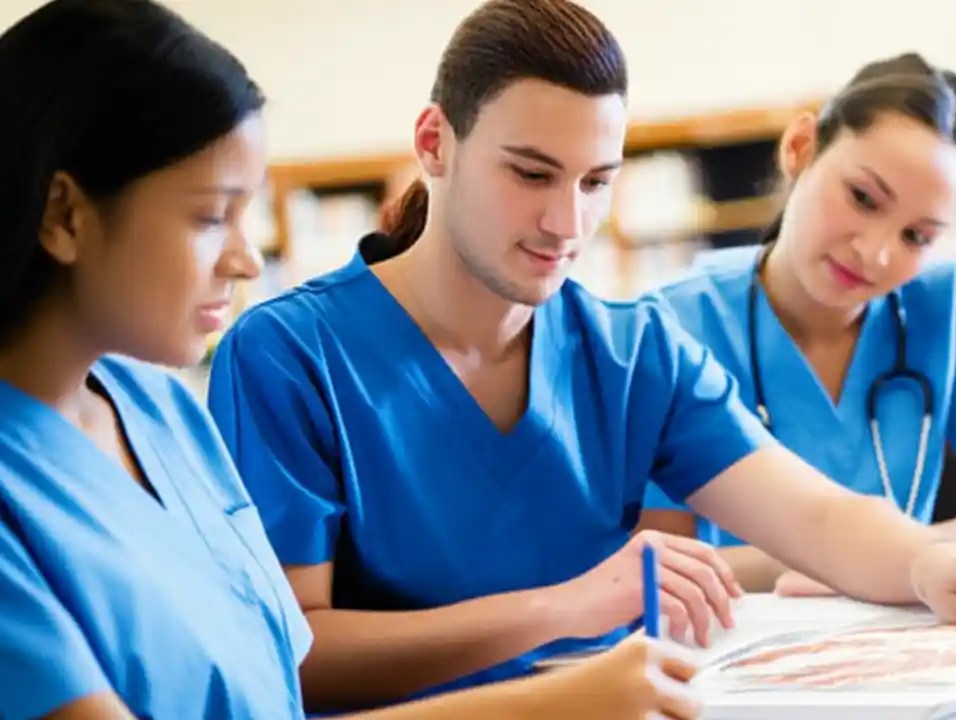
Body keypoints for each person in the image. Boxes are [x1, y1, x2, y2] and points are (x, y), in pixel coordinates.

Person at [207, 0, 956, 713]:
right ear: (435, 144)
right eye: (531, 173)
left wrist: (928, 563)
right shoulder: (289, 357)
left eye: (595, 182)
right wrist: (566, 609)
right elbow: (296, 655)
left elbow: (812, 516)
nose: (567, 224)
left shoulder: (632, 354)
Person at [0, 1, 701, 719]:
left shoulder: (160, 410)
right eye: (211, 217)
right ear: (64, 215)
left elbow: (280, 677)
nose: (244, 261)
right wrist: (545, 702)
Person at [635, 54, 956, 596]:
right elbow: (664, 572)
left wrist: (895, 566)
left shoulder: (945, 306)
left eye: (916, 237)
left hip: (912, 639)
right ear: (800, 148)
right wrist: (873, 566)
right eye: (863, 198)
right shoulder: (674, 326)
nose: (875, 254)